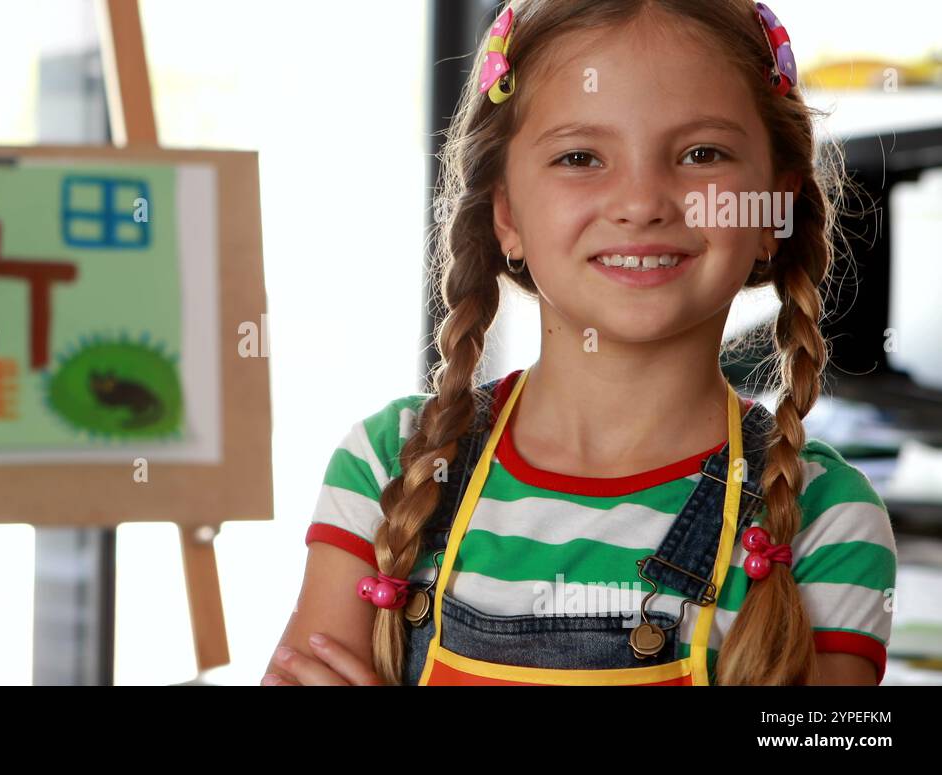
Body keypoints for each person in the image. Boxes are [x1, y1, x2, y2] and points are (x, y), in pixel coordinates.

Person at [264, 0, 896, 686]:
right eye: (580, 156)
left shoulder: (824, 521)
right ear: (506, 214)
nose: (643, 200)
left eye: (701, 153)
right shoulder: (388, 468)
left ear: (775, 207)